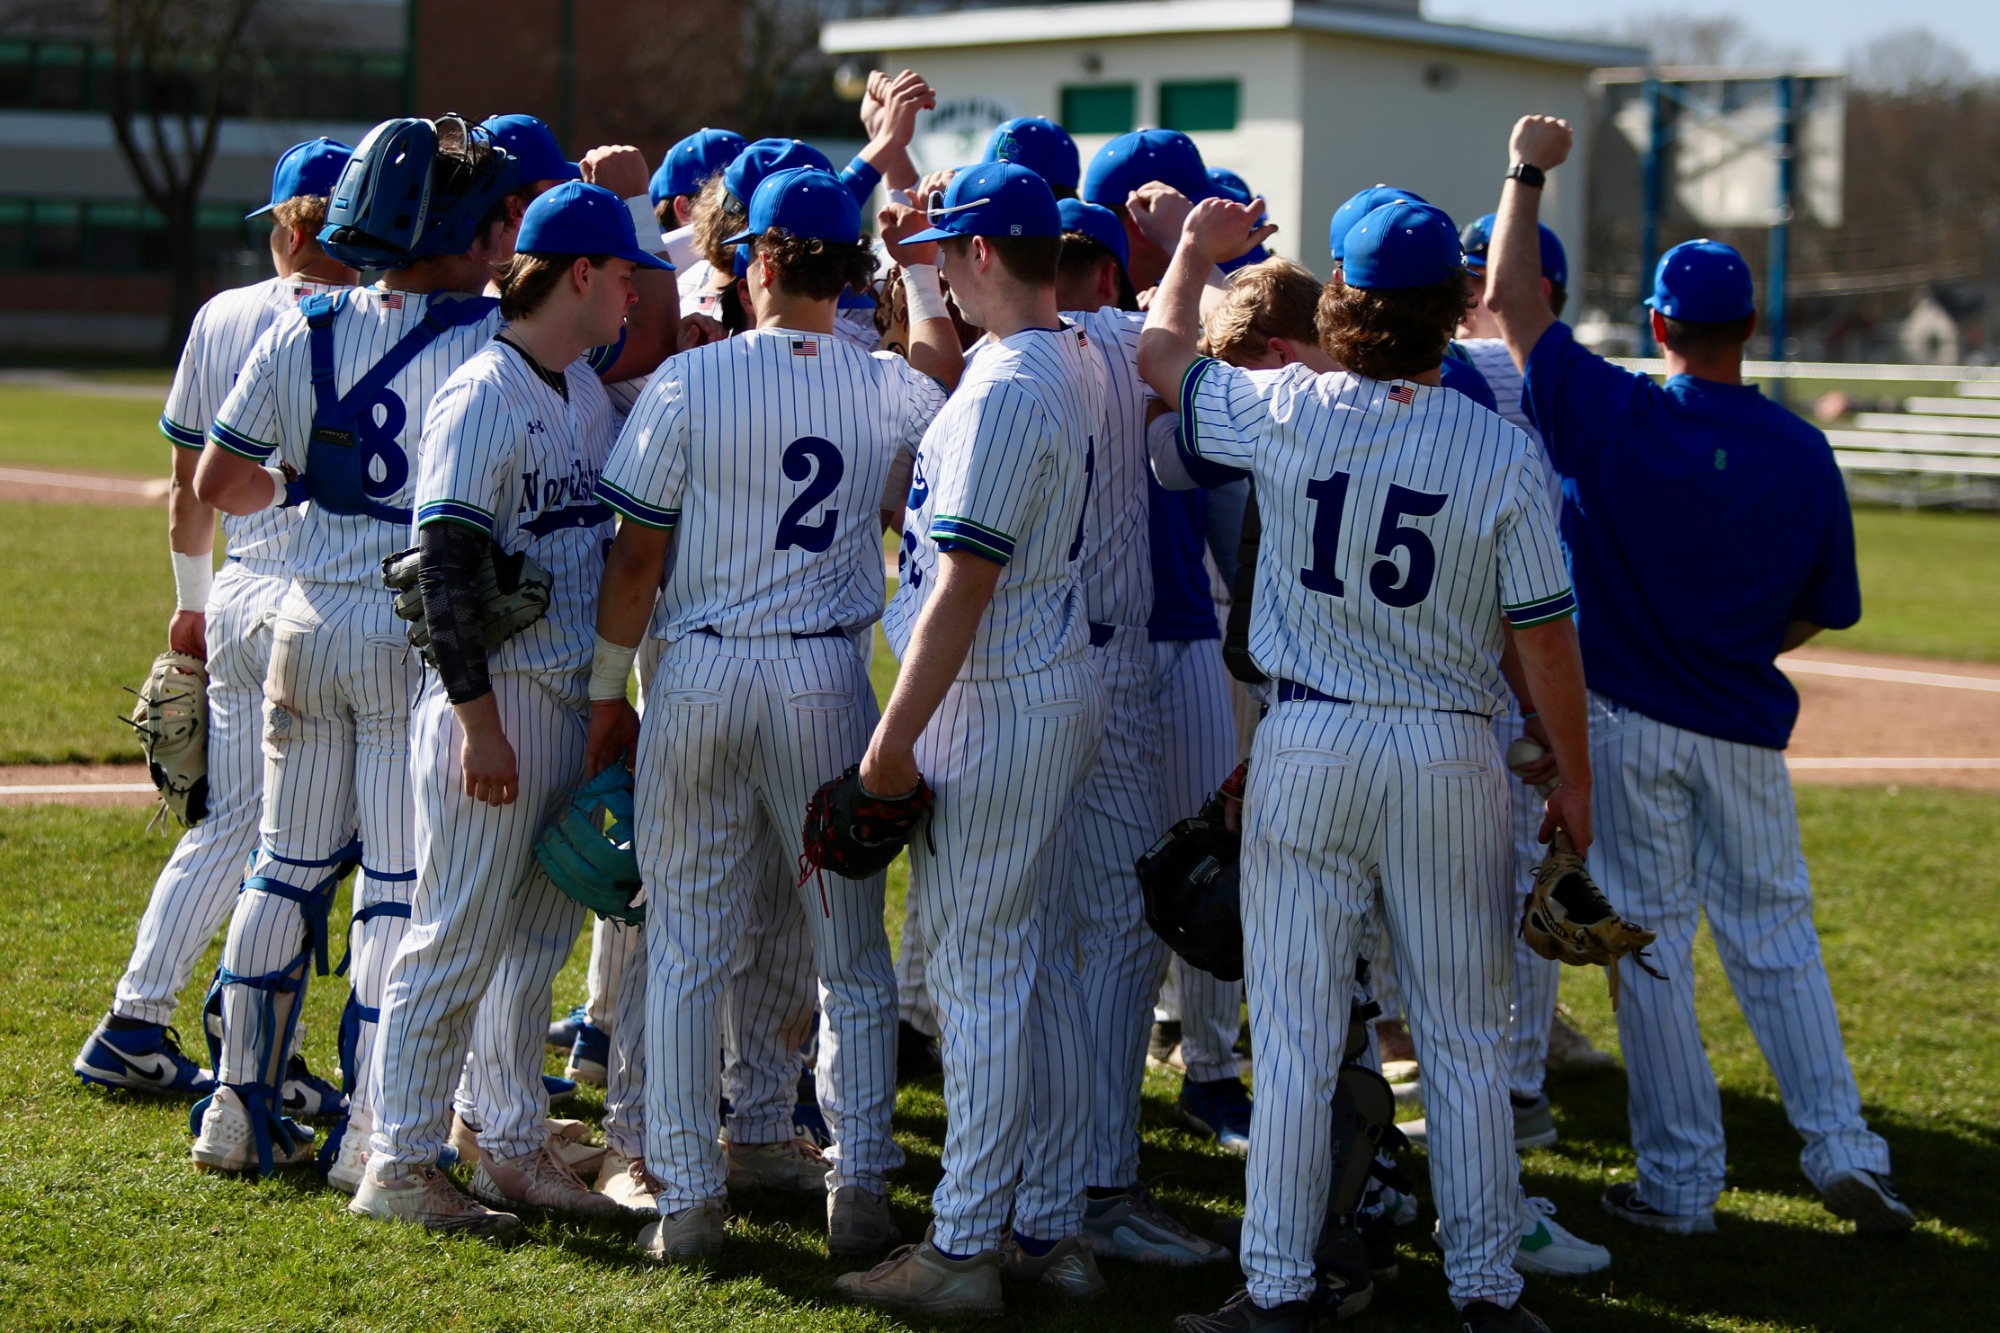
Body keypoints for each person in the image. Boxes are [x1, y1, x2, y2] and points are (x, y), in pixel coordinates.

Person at [1140, 193, 1590, 1333]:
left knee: (1290, 1036)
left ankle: (1281, 1286)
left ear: (1338, 302)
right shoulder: (1499, 446)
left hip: (1311, 735)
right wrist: (1574, 780)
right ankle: (1487, 1289)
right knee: (1459, 1035)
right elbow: (1542, 636)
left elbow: (1155, 350)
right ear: (1451, 309)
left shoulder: (1282, 404)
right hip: (1448, 746)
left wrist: (1193, 250)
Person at [1486, 113, 1917, 1238]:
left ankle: (1679, 1188)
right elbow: (1822, 607)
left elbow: (1516, 300)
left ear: (1659, 323)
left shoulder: (1618, 411)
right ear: (1748, 323)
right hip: (1739, 724)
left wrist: (1525, 173)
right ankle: (1840, 1146)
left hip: (1625, 723)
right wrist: (1727, 643)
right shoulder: (1799, 448)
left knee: (1653, 955)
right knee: (1776, 942)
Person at [586, 165, 961, 1263]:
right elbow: (935, 444)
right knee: (848, 952)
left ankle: (689, 1197)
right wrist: (923, 285)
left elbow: (636, 557)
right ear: (847, 267)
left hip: (699, 670)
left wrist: (609, 692)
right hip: (820, 677)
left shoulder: (688, 383)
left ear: (752, 262)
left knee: (690, 940)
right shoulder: (882, 382)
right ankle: (862, 1186)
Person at [190, 115, 522, 1183]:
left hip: (304, 611)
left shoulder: (305, 324)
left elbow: (218, 484)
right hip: (404, 629)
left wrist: (304, 481)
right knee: (393, 886)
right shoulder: (485, 338)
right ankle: (365, 1139)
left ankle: (231, 1115)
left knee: (281, 868)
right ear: (452, 230)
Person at [351, 181, 669, 1235]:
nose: (634, 290)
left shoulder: (577, 387)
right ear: (580, 274)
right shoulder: (483, 390)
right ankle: (397, 1163)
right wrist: (477, 721)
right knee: (450, 937)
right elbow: (439, 565)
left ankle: (513, 1141)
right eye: (624, 272)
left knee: (532, 939)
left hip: (561, 700)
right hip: (494, 710)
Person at [829, 161, 1106, 1317]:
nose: (934, 260)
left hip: (994, 691)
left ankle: (959, 1249)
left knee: (983, 980)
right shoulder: (1062, 354)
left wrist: (892, 742)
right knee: (1021, 969)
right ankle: (1049, 1223)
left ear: (983, 253)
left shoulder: (1004, 387)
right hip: (1040, 677)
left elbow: (961, 587)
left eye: (949, 247)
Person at [72, 138, 355, 1110]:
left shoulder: (224, 313)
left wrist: (190, 601)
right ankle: (253, 1045)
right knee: (311, 836)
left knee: (232, 825)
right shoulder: (368, 322)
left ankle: (137, 1021)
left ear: (284, 225)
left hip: (237, 590)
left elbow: (193, 488)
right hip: (325, 598)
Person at [1051, 196, 1231, 1266]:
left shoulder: (994, 363)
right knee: (1110, 930)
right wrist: (1193, 252)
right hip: (1102, 667)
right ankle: (1083, 1181)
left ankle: (1046, 1180)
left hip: (1023, 673)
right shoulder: (1118, 344)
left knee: (1050, 936)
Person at [1456, 210, 1622, 1103]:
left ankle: (1494, 1064)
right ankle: (1513, 1075)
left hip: (1478, 656)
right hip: (1524, 655)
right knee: (1527, 865)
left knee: (1482, 874)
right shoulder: (1573, 381)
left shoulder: (1490, 368)